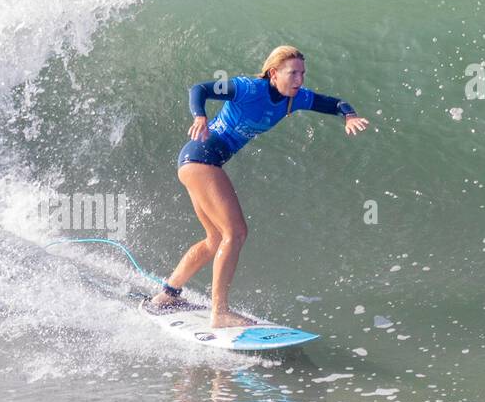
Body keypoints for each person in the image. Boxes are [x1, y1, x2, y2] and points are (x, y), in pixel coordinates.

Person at [150, 45, 369, 328]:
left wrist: (349, 115)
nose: (299, 80)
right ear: (273, 73)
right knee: (236, 233)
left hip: (197, 163)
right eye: (293, 73)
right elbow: (199, 89)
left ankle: (168, 294)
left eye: (303, 73)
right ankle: (220, 313)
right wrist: (199, 116)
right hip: (201, 158)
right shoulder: (248, 88)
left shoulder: (295, 99)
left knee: (215, 239)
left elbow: (335, 103)